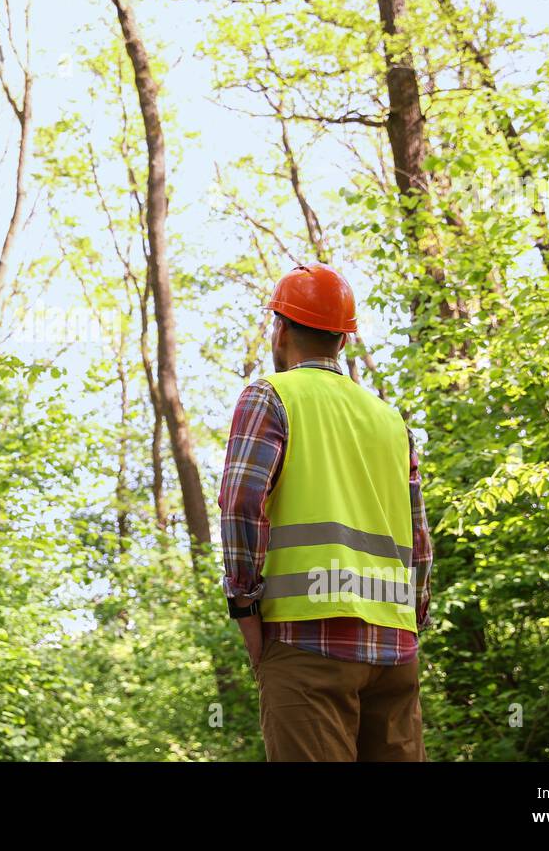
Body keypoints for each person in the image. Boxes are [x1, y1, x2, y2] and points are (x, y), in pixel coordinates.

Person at [218, 262, 433, 761]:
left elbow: (241, 505)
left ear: (282, 328)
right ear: (342, 340)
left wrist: (244, 608)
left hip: (306, 642)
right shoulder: (389, 420)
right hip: (394, 648)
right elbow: (419, 540)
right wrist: (410, 622)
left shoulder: (270, 396)